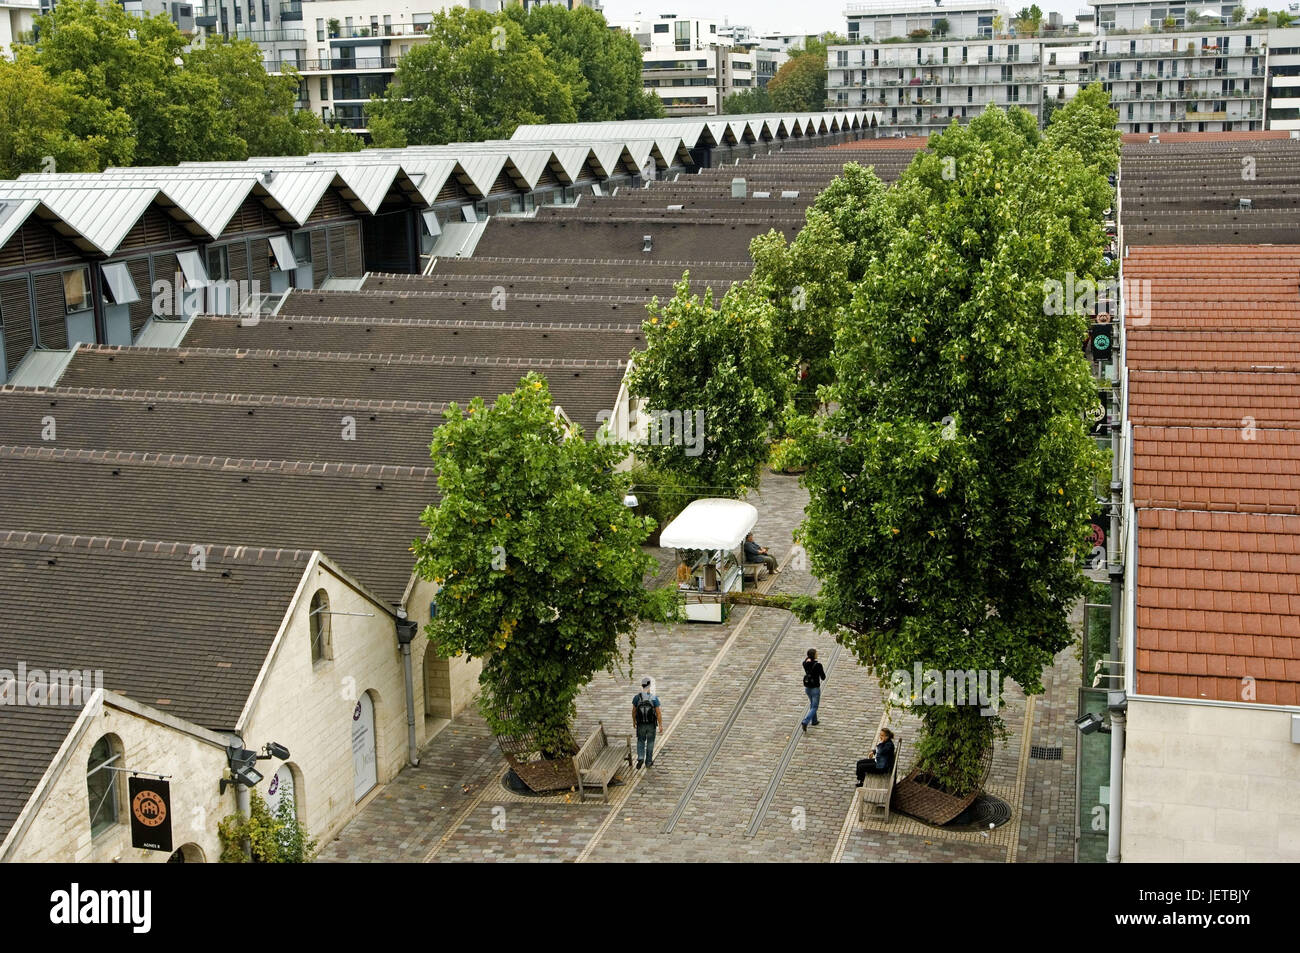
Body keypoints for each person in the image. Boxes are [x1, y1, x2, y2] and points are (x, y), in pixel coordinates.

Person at [632, 677, 662, 769]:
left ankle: (640, 757)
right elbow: (658, 712)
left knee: (640, 740)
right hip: (651, 724)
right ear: (649, 686)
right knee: (650, 742)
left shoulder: (637, 698)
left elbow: (633, 711)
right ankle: (648, 762)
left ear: (642, 685)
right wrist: (660, 725)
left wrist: (634, 721)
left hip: (641, 724)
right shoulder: (654, 698)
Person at [800, 648, 826, 732]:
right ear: (814, 655)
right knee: (815, 706)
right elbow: (823, 677)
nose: (817, 654)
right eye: (816, 653)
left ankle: (814, 721)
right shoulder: (818, 665)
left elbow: (805, 662)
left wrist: (807, 659)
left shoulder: (805, 663)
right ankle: (805, 721)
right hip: (815, 689)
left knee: (812, 704)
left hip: (808, 688)